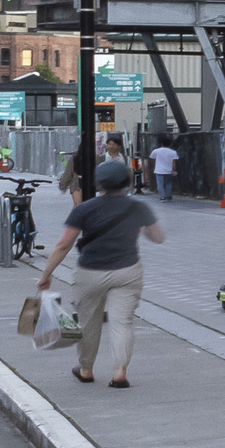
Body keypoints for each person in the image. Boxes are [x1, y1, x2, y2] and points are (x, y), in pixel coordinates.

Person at [37, 151, 158, 388]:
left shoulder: (84, 209)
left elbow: (63, 245)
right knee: (122, 322)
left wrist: (46, 274)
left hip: (90, 273)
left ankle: (85, 369)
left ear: (98, 183)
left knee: (87, 323)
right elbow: (157, 236)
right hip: (128, 270)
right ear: (127, 181)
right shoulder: (138, 207)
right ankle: (119, 372)